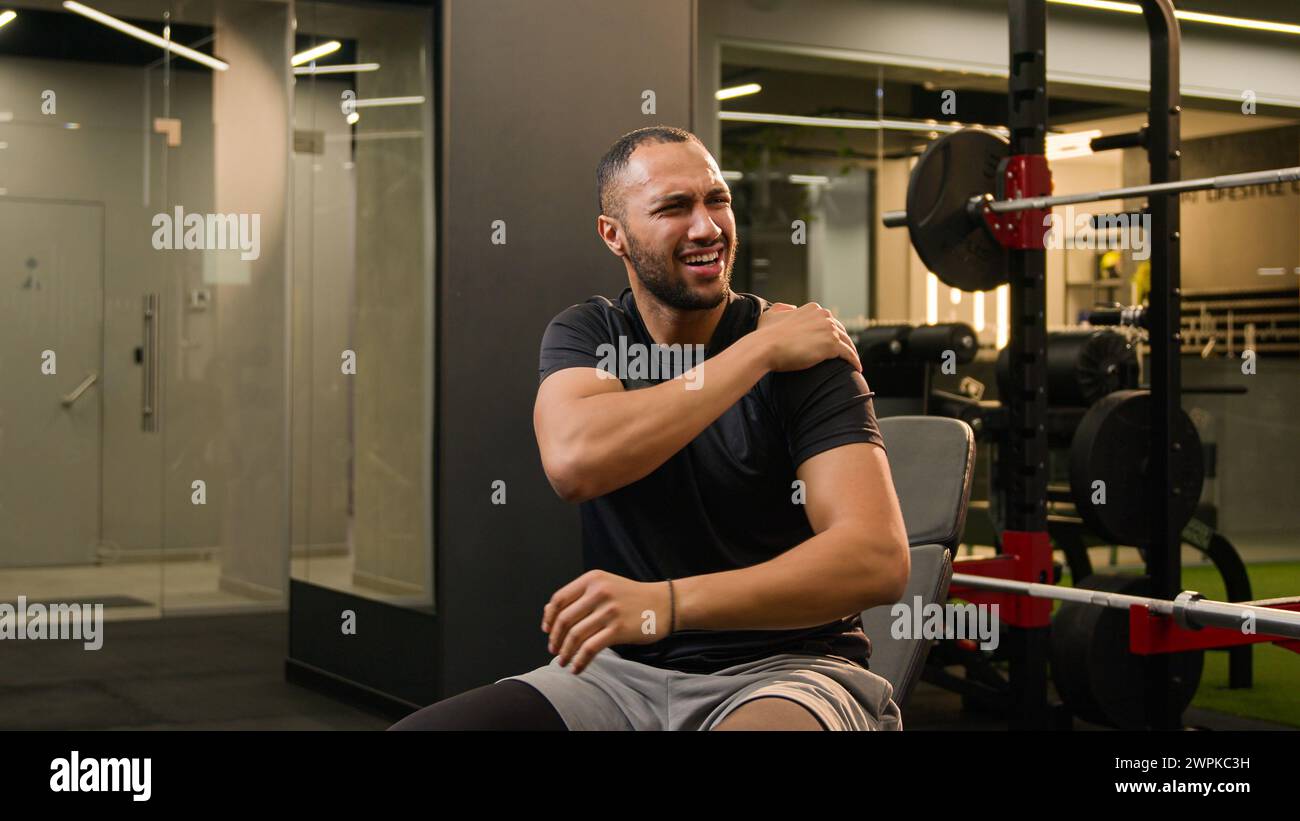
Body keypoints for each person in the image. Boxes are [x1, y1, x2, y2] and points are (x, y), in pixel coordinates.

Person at [390, 126, 909, 731]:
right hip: (617, 680)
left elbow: (877, 559)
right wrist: (752, 357)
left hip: (787, 671)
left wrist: (665, 605)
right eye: (674, 207)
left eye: (717, 200)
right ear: (614, 235)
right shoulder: (593, 334)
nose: (707, 228)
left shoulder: (806, 355)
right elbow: (575, 462)